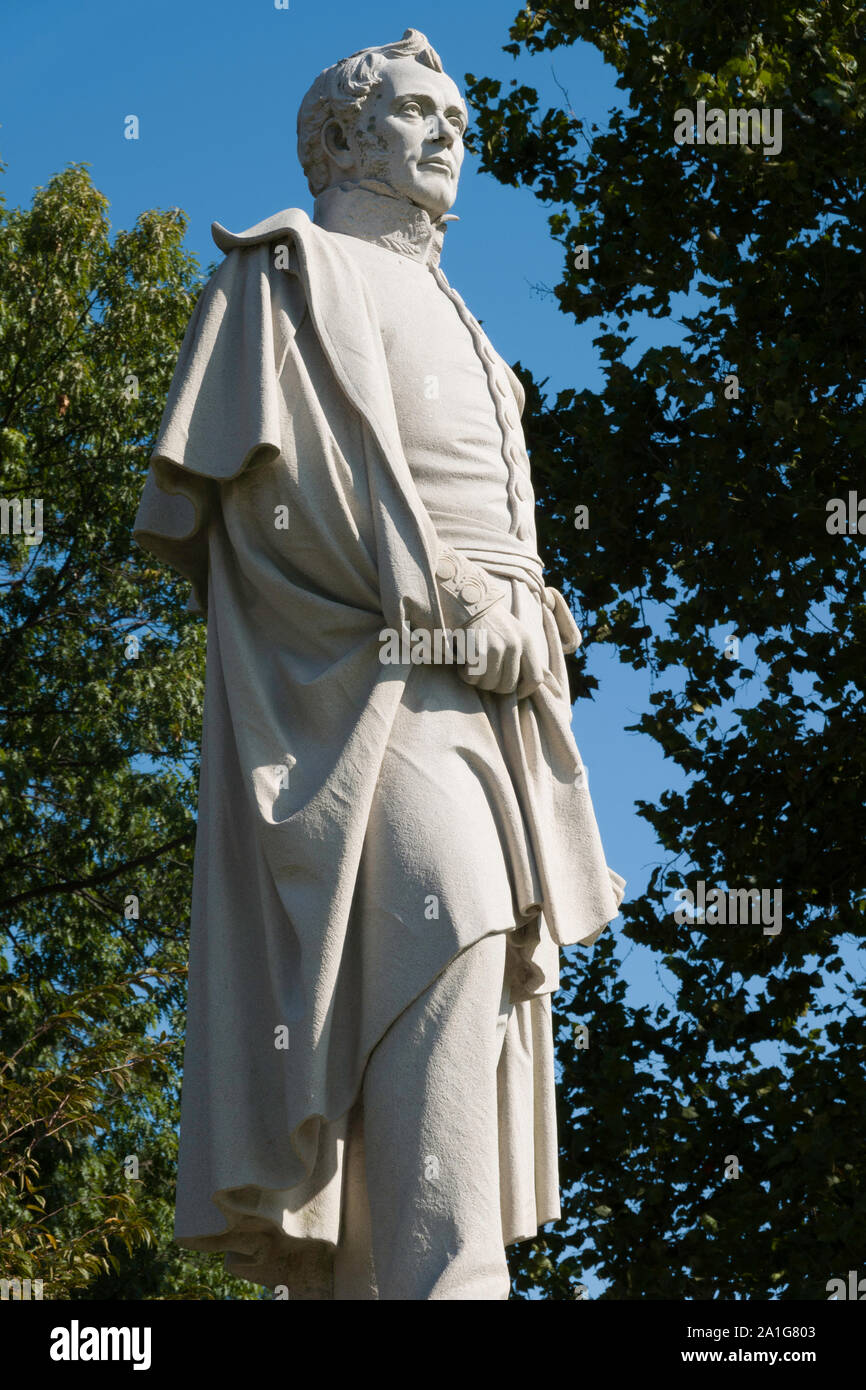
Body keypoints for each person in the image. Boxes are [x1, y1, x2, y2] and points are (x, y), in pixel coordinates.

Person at [133, 27, 624, 1301]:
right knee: (442, 938)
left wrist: (525, 618)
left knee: (477, 1008)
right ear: (341, 140)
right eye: (415, 110)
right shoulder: (285, 278)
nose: (449, 130)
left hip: (494, 711)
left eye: (455, 113)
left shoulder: (461, 312)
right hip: (371, 696)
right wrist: (457, 604)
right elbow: (281, 508)